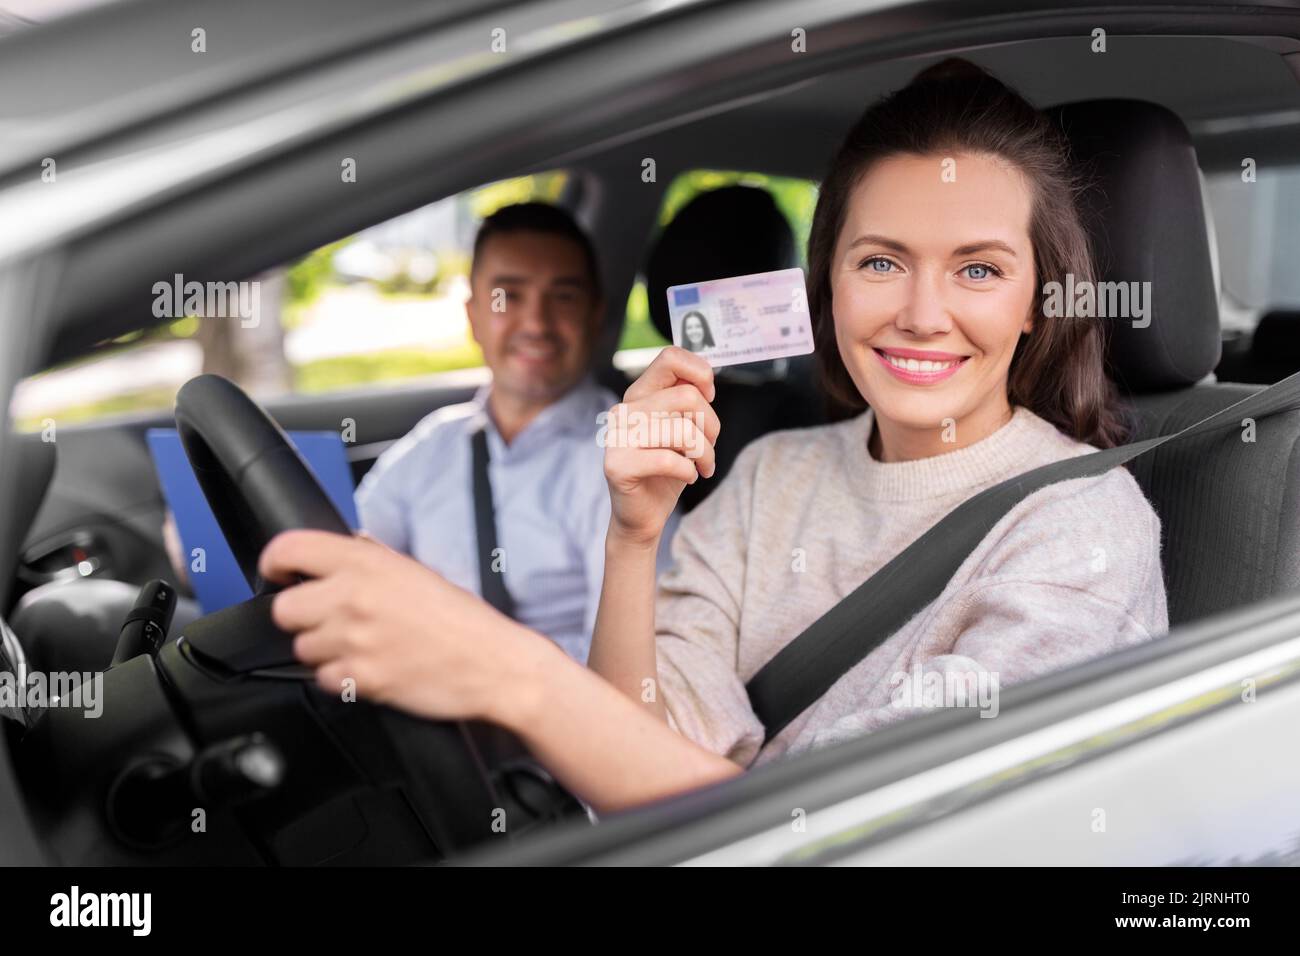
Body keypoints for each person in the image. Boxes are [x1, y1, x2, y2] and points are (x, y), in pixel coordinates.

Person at [258, 59, 1168, 814]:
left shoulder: (1081, 525)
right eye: (882, 262)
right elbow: (636, 752)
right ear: (832, 287)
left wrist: (514, 676)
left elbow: (870, 835)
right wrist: (635, 533)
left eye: (978, 269)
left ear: (1037, 303)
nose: (921, 315)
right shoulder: (773, 472)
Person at [354, 202, 655, 663]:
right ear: (473, 314)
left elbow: (627, 665)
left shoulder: (629, 464)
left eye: (563, 297)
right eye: (507, 297)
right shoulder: (433, 444)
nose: (535, 324)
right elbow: (354, 558)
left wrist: (446, 653)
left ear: (596, 314)